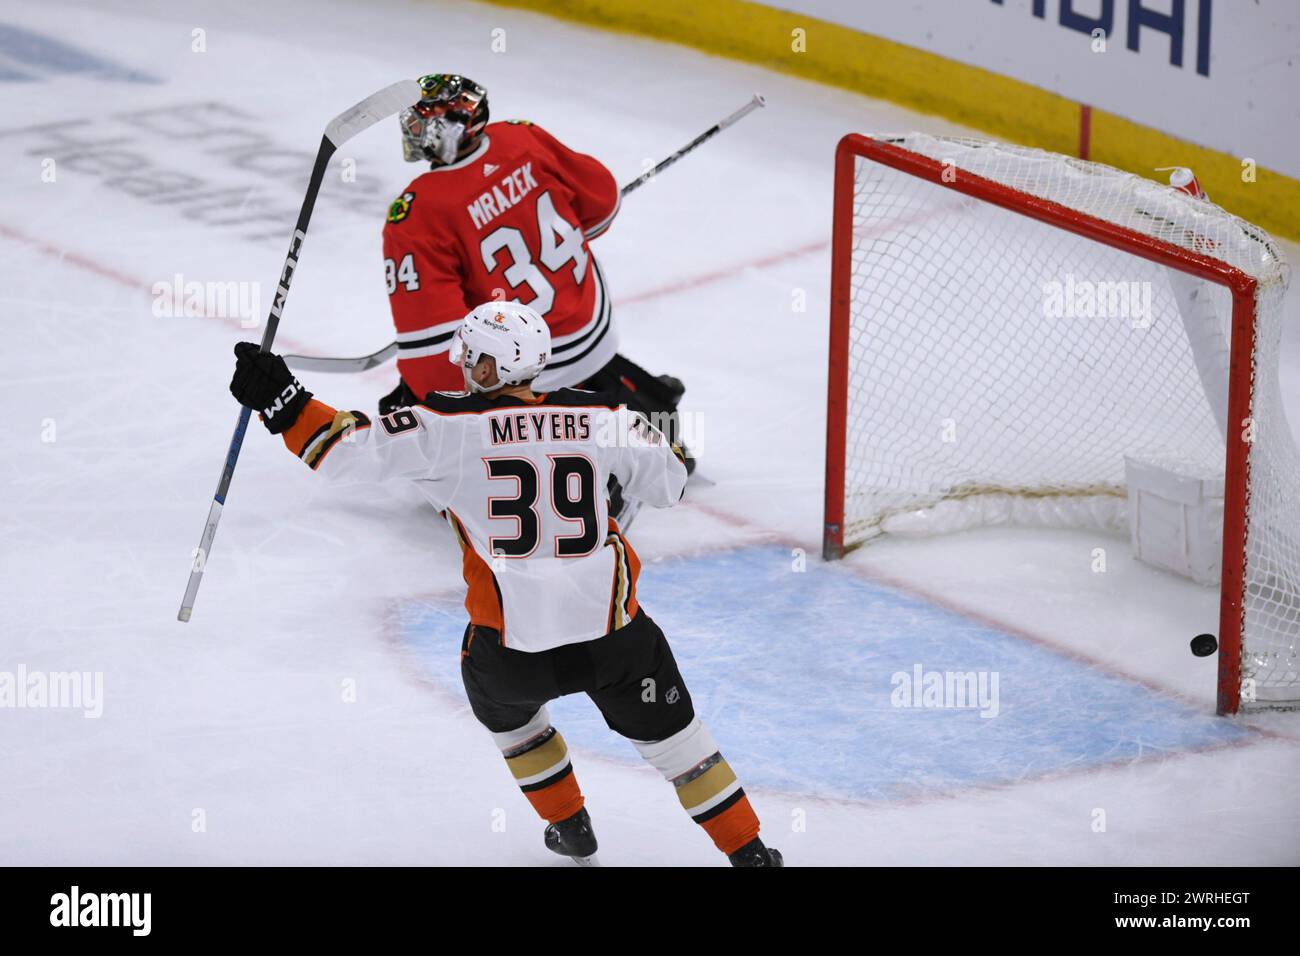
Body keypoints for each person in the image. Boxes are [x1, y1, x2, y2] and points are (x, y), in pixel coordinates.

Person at [227, 300, 780, 867]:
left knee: (506, 713)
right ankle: (750, 853)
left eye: (471, 354)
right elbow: (668, 483)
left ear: (490, 369)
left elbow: (343, 454)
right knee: (680, 747)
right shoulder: (603, 417)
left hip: (513, 655)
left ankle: (569, 823)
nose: (462, 362)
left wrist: (283, 400)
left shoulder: (441, 429)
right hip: (616, 641)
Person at [378, 73, 693, 513]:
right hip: (590, 330)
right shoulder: (522, 138)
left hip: (519, 373)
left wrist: (437, 414)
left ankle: (536, 469)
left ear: (451, 128)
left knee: (405, 404)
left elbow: (432, 358)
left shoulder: (416, 213)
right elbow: (600, 206)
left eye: (423, 121)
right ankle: (641, 410)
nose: (412, 131)